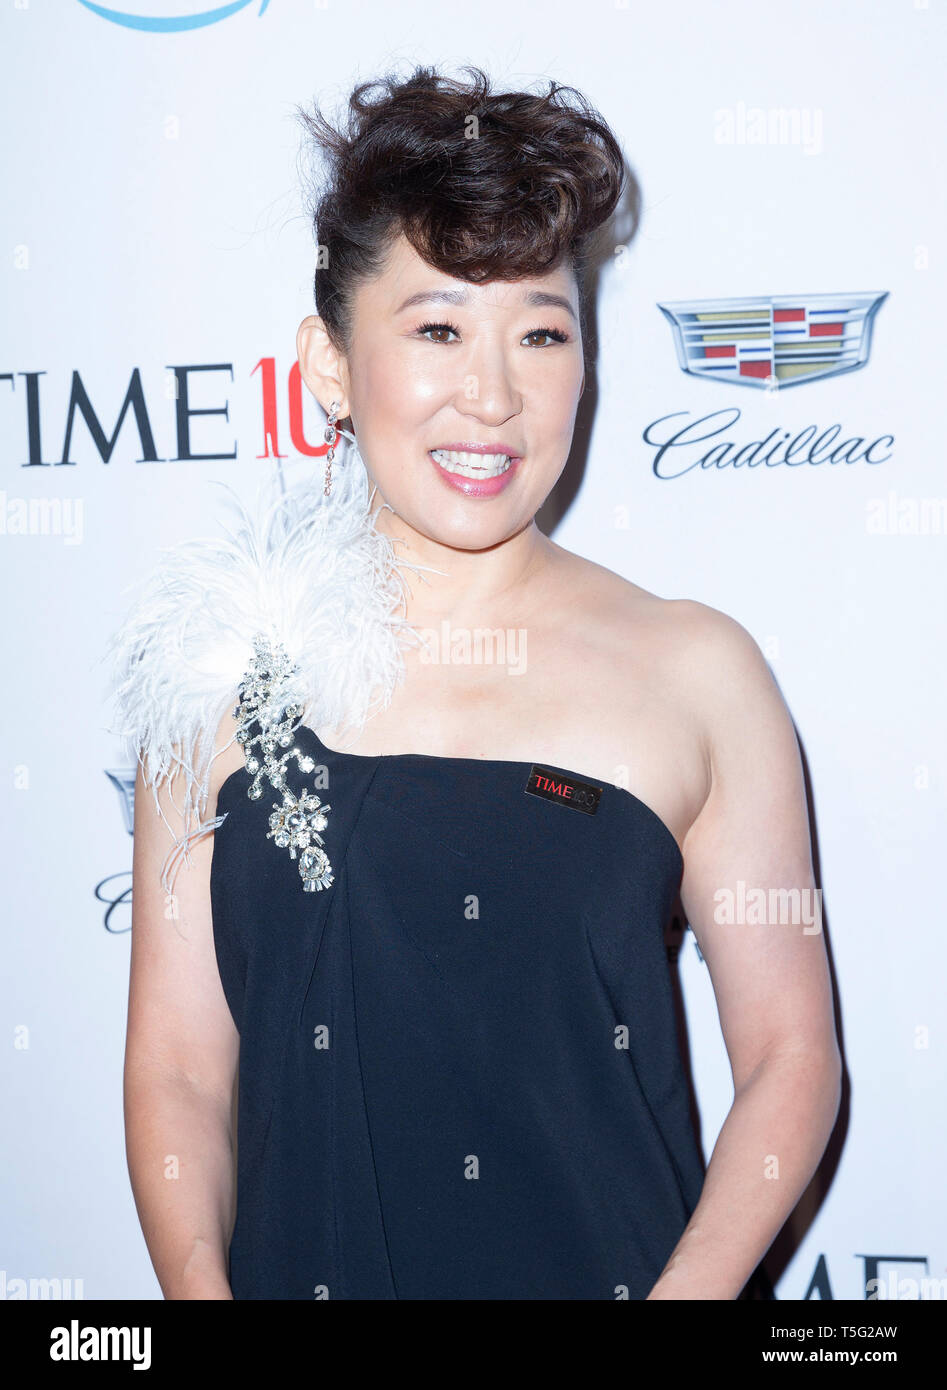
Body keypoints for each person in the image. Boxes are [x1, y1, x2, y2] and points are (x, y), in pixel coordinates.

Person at [108, 64, 841, 1301]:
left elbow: (789, 1057)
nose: (493, 396)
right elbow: (178, 1068)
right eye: (438, 328)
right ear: (329, 366)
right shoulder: (223, 669)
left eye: (541, 333)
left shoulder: (697, 667)